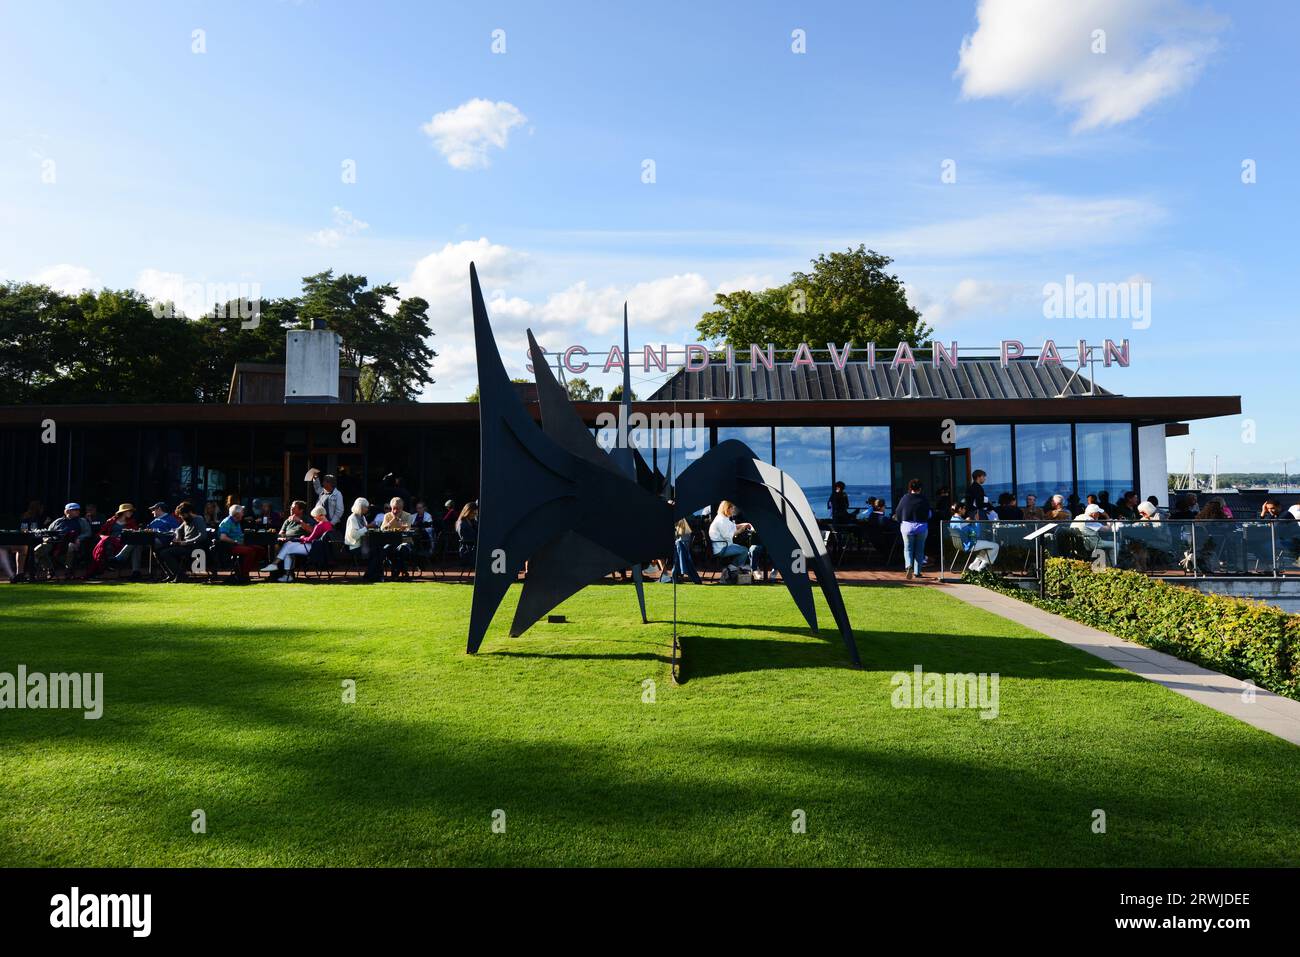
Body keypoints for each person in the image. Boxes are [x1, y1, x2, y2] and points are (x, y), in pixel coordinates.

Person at [265, 505, 333, 582]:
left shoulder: (319, 525)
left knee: (287, 545)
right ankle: (287, 576)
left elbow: (310, 539)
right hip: (320, 548)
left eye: (315, 516)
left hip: (314, 548)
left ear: (320, 515)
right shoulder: (329, 524)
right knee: (288, 551)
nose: (314, 518)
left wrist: (301, 538)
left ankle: (275, 565)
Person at [112, 501, 178, 578]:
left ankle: (119, 558)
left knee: (137, 541)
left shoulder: (170, 519)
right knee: (137, 545)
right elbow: (147, 531)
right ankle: (136, 572)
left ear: (159, 509)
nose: (152, 512)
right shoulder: (154, 521)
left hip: (162, 541)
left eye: (153, 510)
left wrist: (157, 533)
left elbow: (175, 532)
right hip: (150, 541)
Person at [32, 503, 92, 577]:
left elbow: (88, 533)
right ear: (67, 511)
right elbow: (48, 532)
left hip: (71, 542)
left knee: (71, 546)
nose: (77, 512)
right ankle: (49, 569)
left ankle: (68, 571)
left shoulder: (82, 521)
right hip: (54, 542)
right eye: (74, 510)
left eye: (78, 510)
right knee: (38, 550)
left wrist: (79, 538)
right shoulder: (58, 521)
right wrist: (46, 538)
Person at [157, 502, 209, 582]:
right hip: (186, 546)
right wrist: (178, 538)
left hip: (195, 547)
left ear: (190, 512)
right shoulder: (187, 521)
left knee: (165, 553)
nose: (181, 517)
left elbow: (203, 536)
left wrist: (186, 542)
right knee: (157, 551)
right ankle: (171, 574)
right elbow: (178, 529)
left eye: (183, 515)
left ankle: (181, 575)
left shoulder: (198, 519)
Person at [708, 500, 762, 575]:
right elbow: (730, 535)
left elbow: (733, 526)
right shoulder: (721, 520)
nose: (733, 510)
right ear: (727, 508)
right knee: (744, 550)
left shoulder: (722, 518)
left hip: (723, 545)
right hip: (721, 549)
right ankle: (731, 569)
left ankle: (734, 568)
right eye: (732, 508)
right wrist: (742, 529)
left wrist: (746, 524)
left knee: (743, 549)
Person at [894, 478, 931, 580]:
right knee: (920, 550)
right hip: (921, 527)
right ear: (920, 488)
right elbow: (929, 514)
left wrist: (901, 521)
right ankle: (917, 572)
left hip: (907, 527)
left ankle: (908, 566)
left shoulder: (905, 498)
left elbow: (898, 511)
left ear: (910, 488)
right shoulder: (924, 499)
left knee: (908, 549)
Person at [87, 503, 138, 577]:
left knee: (135, 543)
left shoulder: (132, 522)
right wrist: (106, 538)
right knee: (104, 542)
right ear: (123, 512)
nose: (131, 513)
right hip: (111, 543)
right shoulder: (111, 521)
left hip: (123, 543)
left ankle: (116, 560)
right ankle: (110, 561)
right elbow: (100, 533)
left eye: (132, 511)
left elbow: (135, 534)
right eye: (129, 511)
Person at [217, 504, 261, 583]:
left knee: (260, 549)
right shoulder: (227, 522)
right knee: (250, 551)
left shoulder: (237, 522)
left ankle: (244, 569)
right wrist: (235, 542)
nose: (243, 514)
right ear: (236, 514)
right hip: (229, 546)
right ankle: (244, 575)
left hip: (240, 544)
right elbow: (222, 537)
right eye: (242, 512)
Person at [950, 503, 999, 571]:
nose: (965, 510)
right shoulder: (962, 522)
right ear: (960, 509)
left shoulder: (953, 519)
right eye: (964, 508)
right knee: (995, 546)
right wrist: (977, 521)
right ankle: (982, 567)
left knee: (986, 547)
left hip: (961, 544)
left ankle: (974, 565)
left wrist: (967, 522)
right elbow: (975, 534)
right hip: (969, 545)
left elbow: (968, 532)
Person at [378, 497, 415, 579]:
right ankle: (399, 571)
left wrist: (400, 525)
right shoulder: (387, 516)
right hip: (391, 542)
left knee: (401, 548)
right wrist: (391, 522)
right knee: (386, 548)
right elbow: (382, 529)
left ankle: (397, 572)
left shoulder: (408, 515)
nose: (395, 511)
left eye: (397, 509)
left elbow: (408, 529)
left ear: (402, 508)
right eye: (393, 508)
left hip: (405, 542)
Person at [665, 517, 702, 584]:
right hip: (682, 542)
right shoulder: (681, 520)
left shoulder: (680, 520)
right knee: (681, 559)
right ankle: (676, 577)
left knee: (682, 558)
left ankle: (675, 577)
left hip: (682, 543)